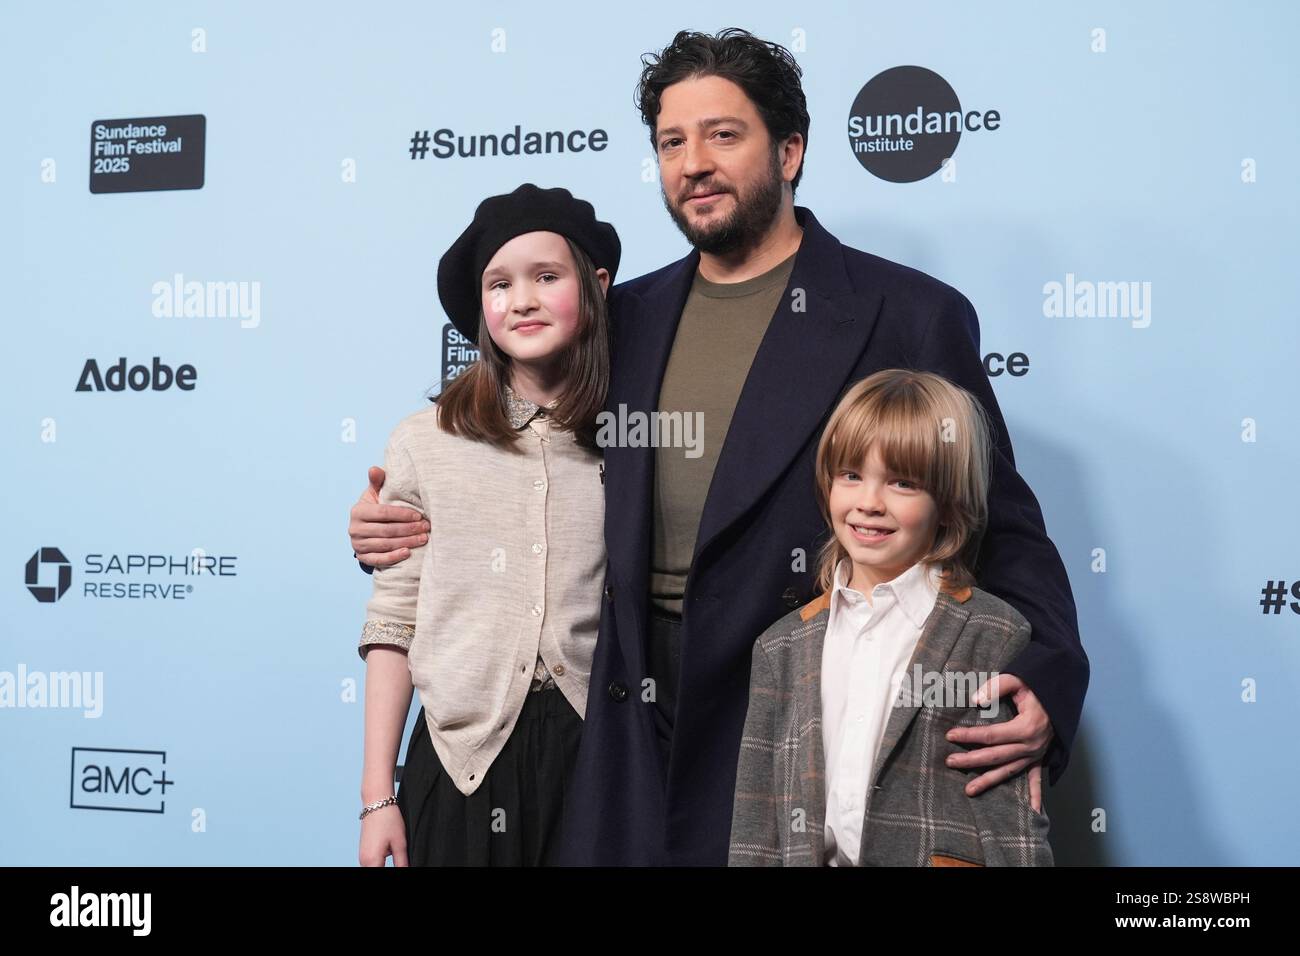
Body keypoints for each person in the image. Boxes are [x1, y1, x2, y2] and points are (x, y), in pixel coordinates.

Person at [352, 29, 1088, 866]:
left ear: (791, 150)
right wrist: (390, 524)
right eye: (672, 142)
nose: (693, 162)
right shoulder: (622, 318)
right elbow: (516, 455)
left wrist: (1050, 682)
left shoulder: (906, 313)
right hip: (624, 732)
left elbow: (1004, 525)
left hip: (793, 717)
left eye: (722, 135)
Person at [356, 183, 619, 866]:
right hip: (459, 765)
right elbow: (393, 621)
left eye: (546, 276)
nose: (522, 299)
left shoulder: (630, 441)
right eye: (499, 284)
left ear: (595, 287)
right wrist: (377, 795)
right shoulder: (425, 442)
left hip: (593, 760)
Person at [729, 369, 1054, 866]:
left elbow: (1013, 824)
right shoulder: (780, 647)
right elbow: (756, 827)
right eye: (852, 476)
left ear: (947, 503)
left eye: (903, 483)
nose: (869, 504)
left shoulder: (995, 634)